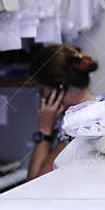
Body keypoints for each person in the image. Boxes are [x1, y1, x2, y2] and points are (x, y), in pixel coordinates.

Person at [27, 45, 98, 180]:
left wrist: (44, 130)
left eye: (42, 91)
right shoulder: (92, 109)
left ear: (60, 85)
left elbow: (34, 185)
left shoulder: (79, 124)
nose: (42, 98)